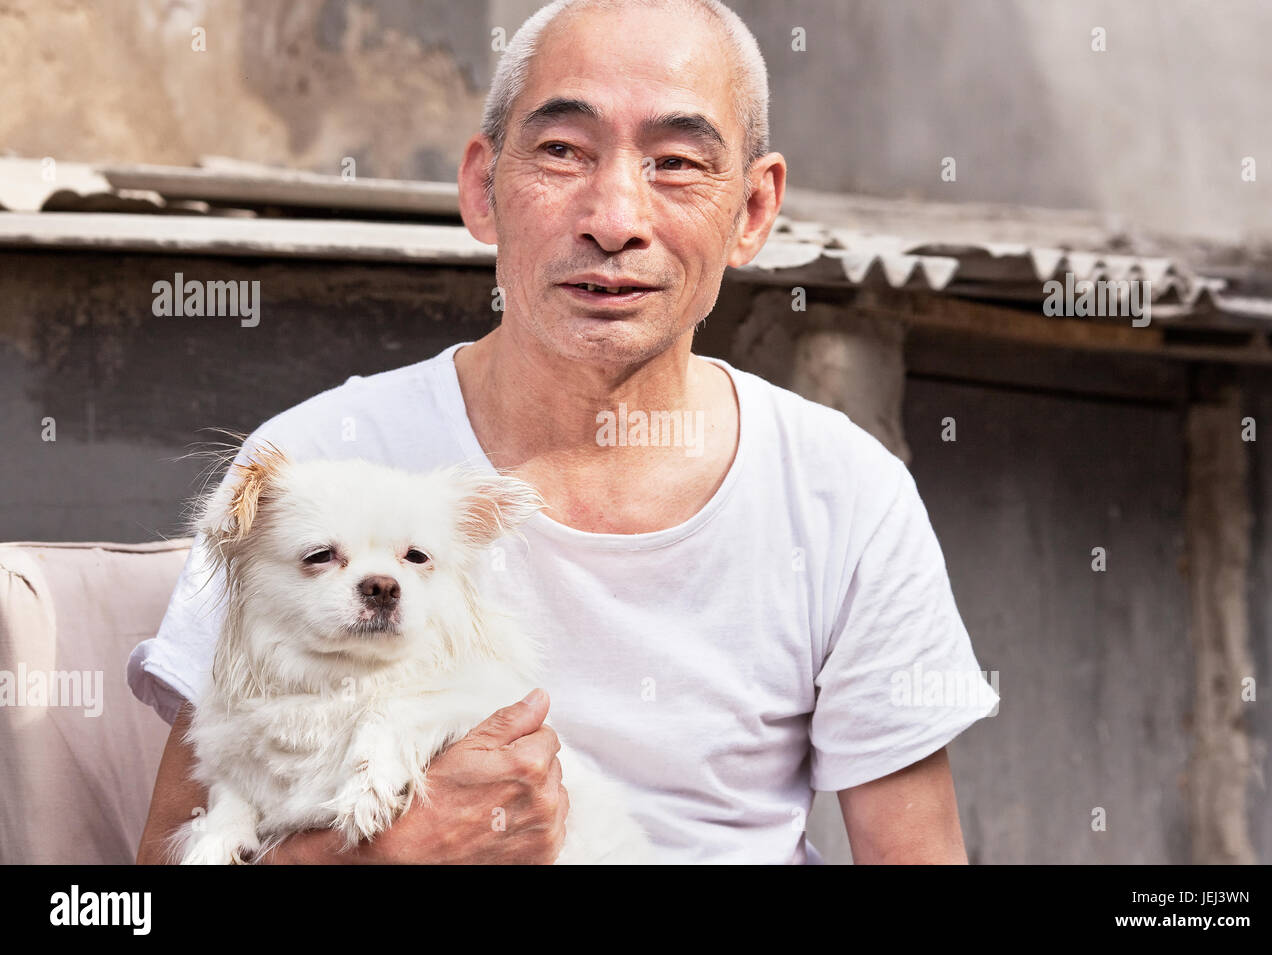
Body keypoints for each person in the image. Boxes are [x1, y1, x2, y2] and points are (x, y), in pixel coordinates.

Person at [131, 0, 997, 865]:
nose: (613, 218)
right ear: (482, 188)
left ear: (754, 208)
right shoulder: (315, 466)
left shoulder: (845, 494)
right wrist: (381, 858)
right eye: (561, 152)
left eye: (678, 161)